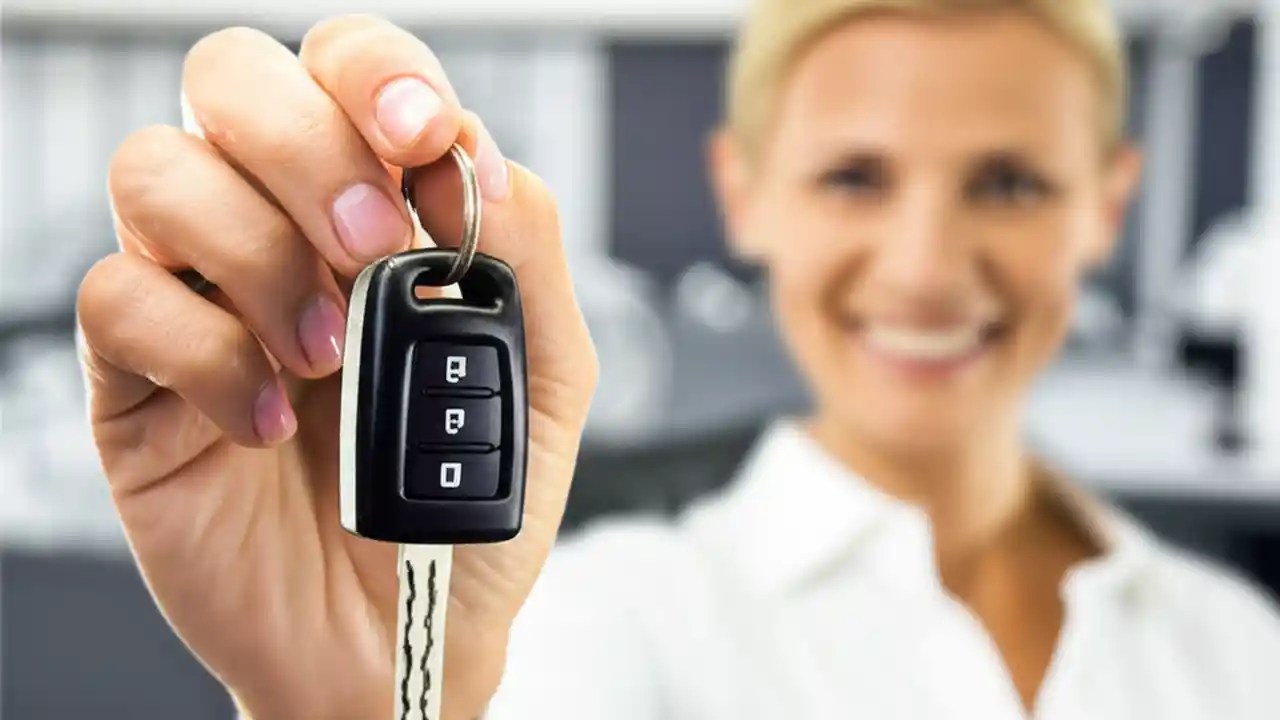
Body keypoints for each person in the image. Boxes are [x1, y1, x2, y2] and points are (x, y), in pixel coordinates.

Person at [75, 0, 1280, 718]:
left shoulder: (1239, 652)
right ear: (741, 195)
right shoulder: (585, 623)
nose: (923, 265)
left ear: (1106, 207)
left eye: (1008, 182)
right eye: (853, 176)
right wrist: (345, 709)